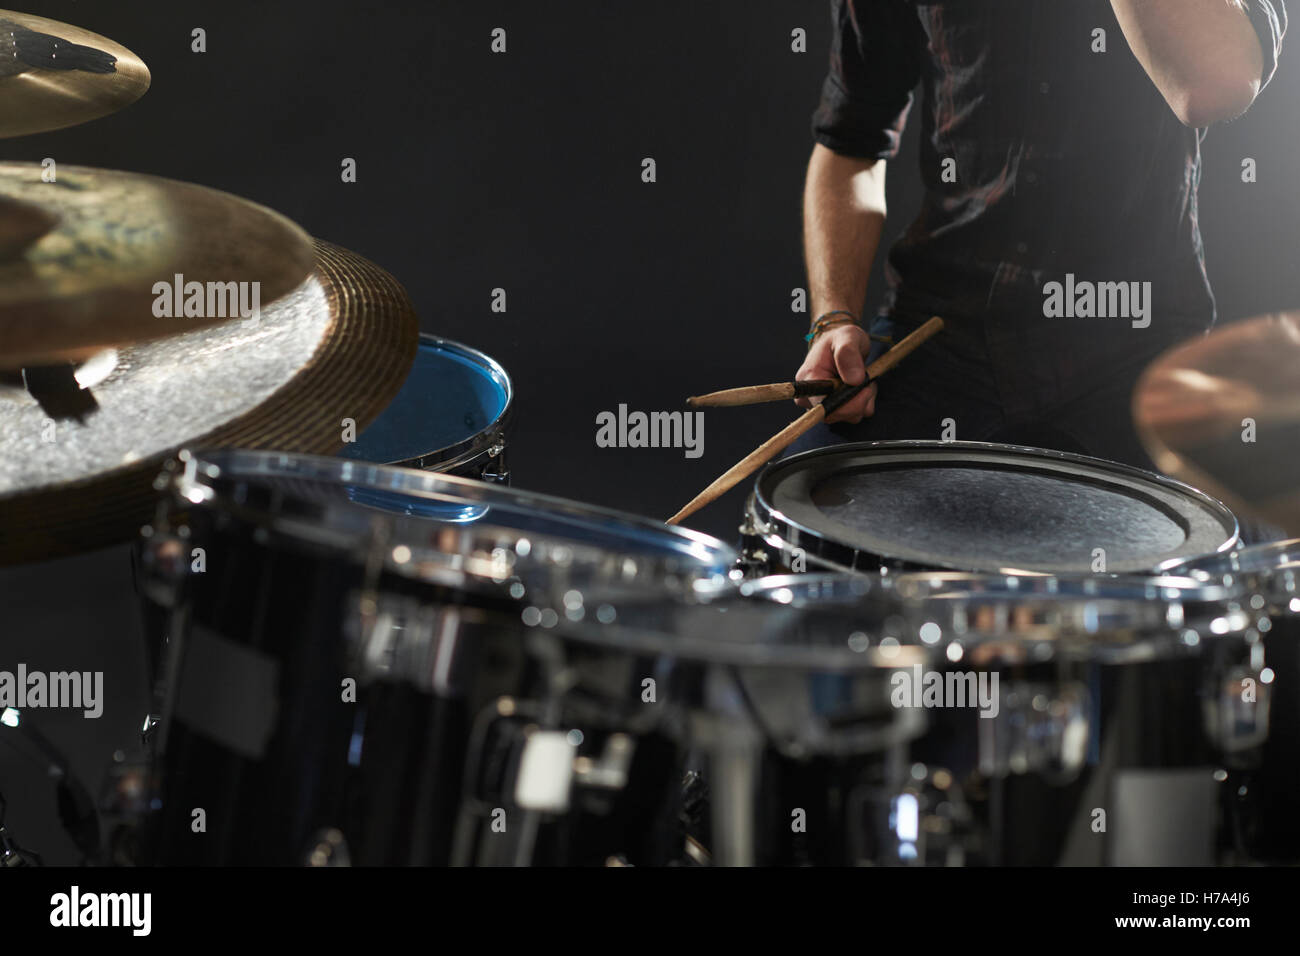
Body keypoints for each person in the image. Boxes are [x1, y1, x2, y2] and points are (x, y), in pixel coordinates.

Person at [794, 0, 1287, 469]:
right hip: (940, 334)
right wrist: (833, 320)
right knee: (802, 530)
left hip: (1134, 347)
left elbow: (1212, 82)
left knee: (1198, 546)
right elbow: (850, 143)